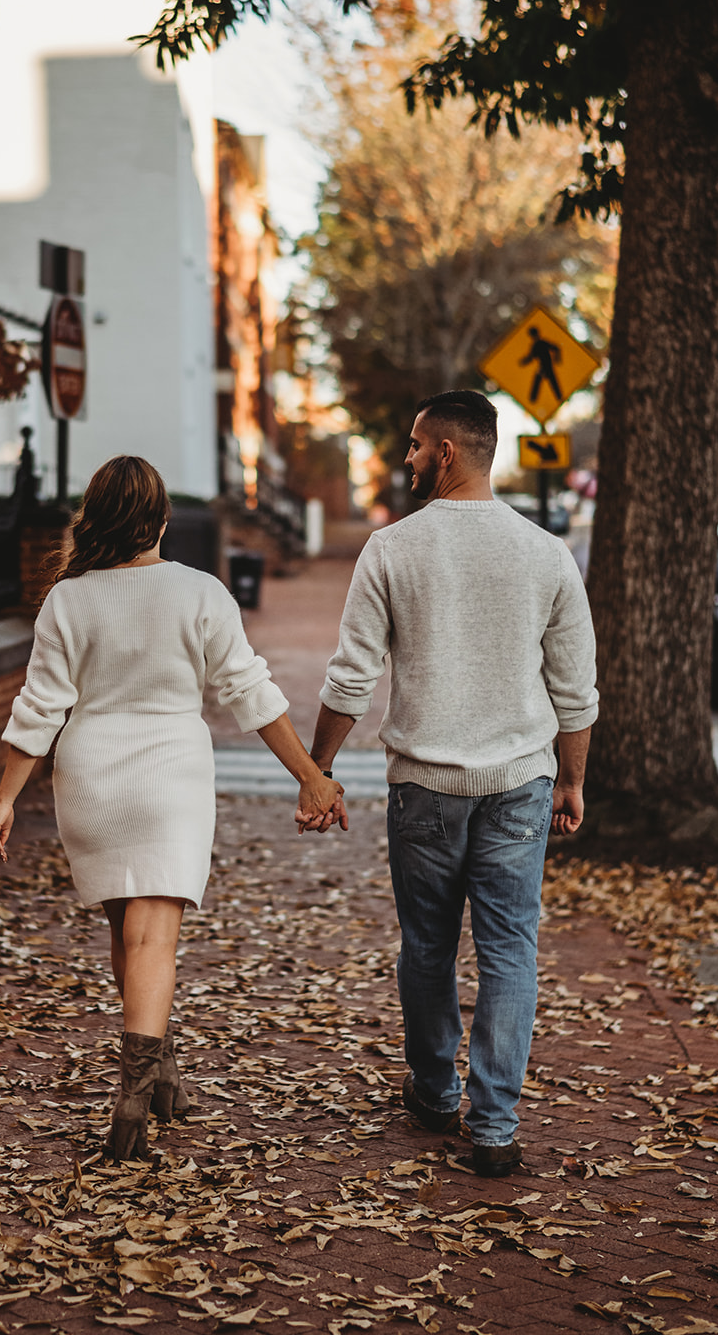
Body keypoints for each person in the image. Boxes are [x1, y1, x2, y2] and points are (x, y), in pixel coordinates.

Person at [0, 455, 343, 1161]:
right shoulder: (201, 593)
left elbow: (41, 707)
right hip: (170, 780)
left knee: (128, 933)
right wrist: (311, 776)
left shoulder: (68, 599)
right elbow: (252, 695)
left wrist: (6, 798)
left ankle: (164, 1077)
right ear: (163, 519)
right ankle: (129, 1109)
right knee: (154, 942)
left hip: (90, 780)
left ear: (96, 517)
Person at [308, 391, 597, 1179]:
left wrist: (318, 766)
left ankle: (435, 1095)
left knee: (428, 948)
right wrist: (572, 781)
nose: (405, 458)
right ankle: (494, 1128)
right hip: (520, 786)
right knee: (510, 951)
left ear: (447, 452)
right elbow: (576, 692)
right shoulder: (545, 554)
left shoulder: (393, 549)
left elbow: (351, 680)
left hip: (426, 791)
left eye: (413, 445)